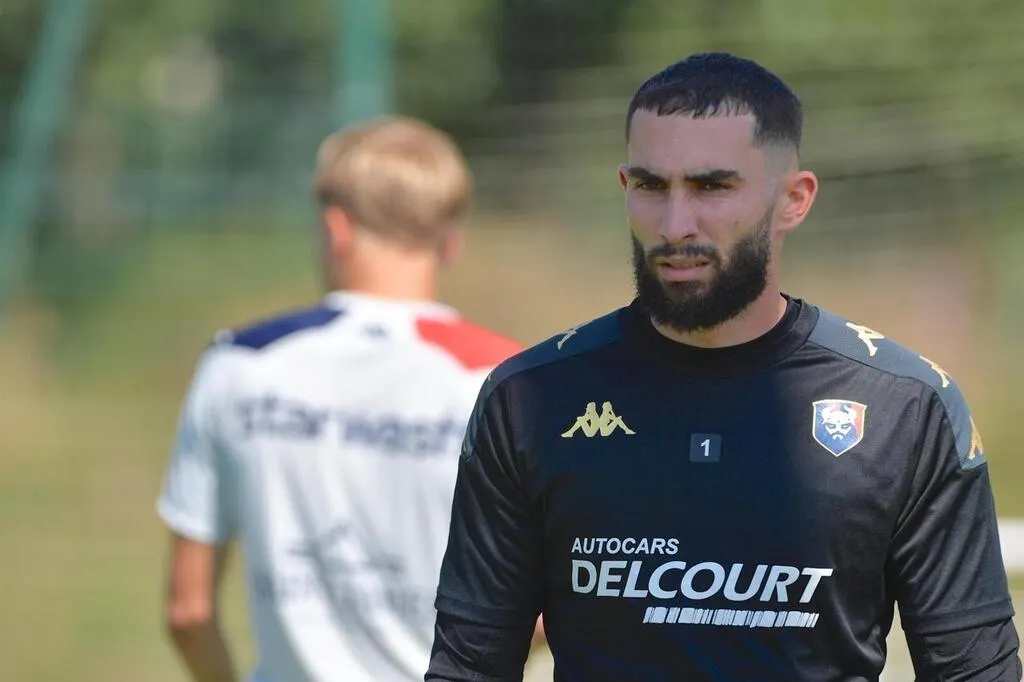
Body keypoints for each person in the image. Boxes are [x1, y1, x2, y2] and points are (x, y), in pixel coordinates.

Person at [425, 53, 1021, 681]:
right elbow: (469, 666)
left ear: (793, 200)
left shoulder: (906, 407)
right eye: (652, 186)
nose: (676, 224)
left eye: (712, 186)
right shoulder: (531, 398)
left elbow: (975, 673)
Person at [155, 116, 526, 682]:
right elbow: (542, 614)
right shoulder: (505, 379)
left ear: (335, 229)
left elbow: (188, 610)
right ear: (451, 241)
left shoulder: (239, 364)